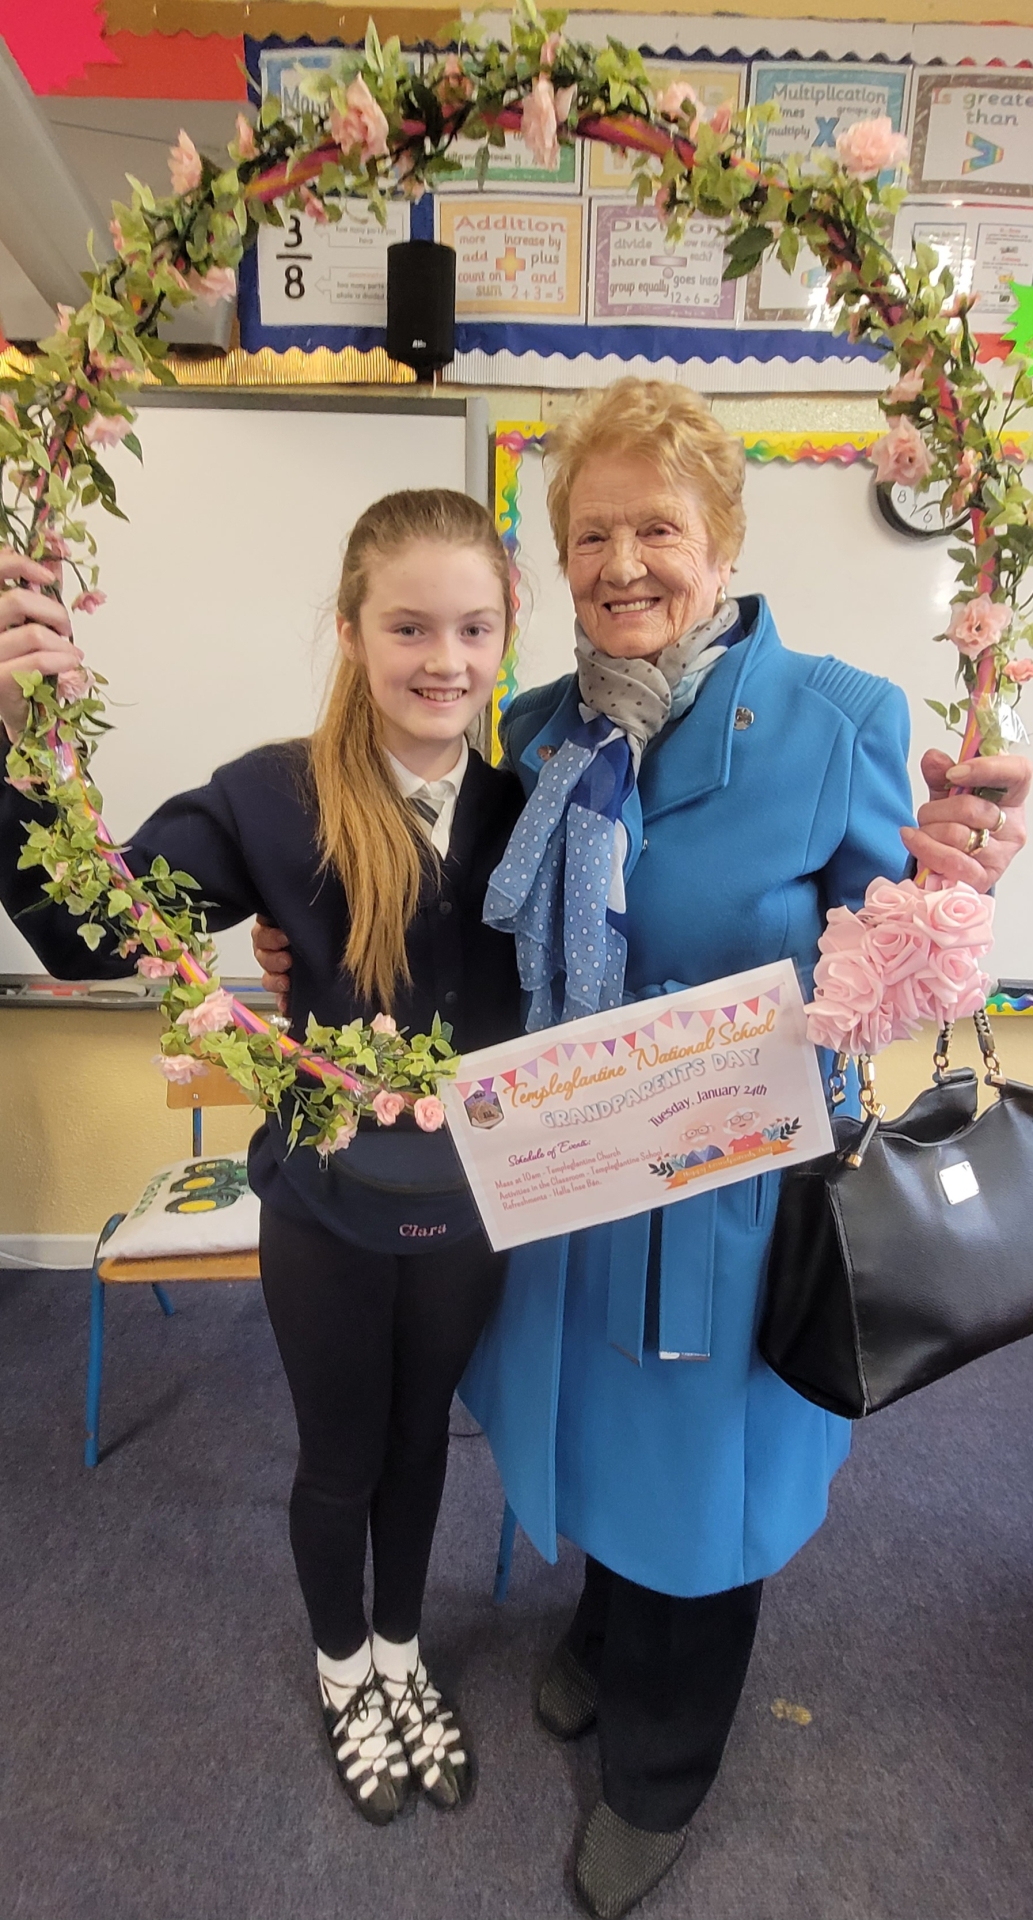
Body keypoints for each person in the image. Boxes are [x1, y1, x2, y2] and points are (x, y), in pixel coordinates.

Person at [253, 381, 1030, 1919]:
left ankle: (661, 1773)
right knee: (599, 1446)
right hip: (564, 1189)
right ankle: (606, 1635)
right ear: (557, 560)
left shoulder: (839, 720)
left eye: (656, 529)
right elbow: (454, 937)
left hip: (728, 1207)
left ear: (721, 539)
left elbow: (895, 976)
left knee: (701, 1487)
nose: (622, 564)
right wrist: (308, 948)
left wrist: (951, 885)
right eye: (591, 534)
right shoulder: (534, 727)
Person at [0, 491, 526, 1826]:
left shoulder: (533, 807)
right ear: (349, 630)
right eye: (408, 626)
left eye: (474, 628)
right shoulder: (269, 797)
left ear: (506, 632)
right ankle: (345, 1674)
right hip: (325, 1206)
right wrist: (16, 754)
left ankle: (401, 1653)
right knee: (341, 1454)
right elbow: (86, 934)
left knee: (423, 1441)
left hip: (473, 1205)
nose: (445, 660)